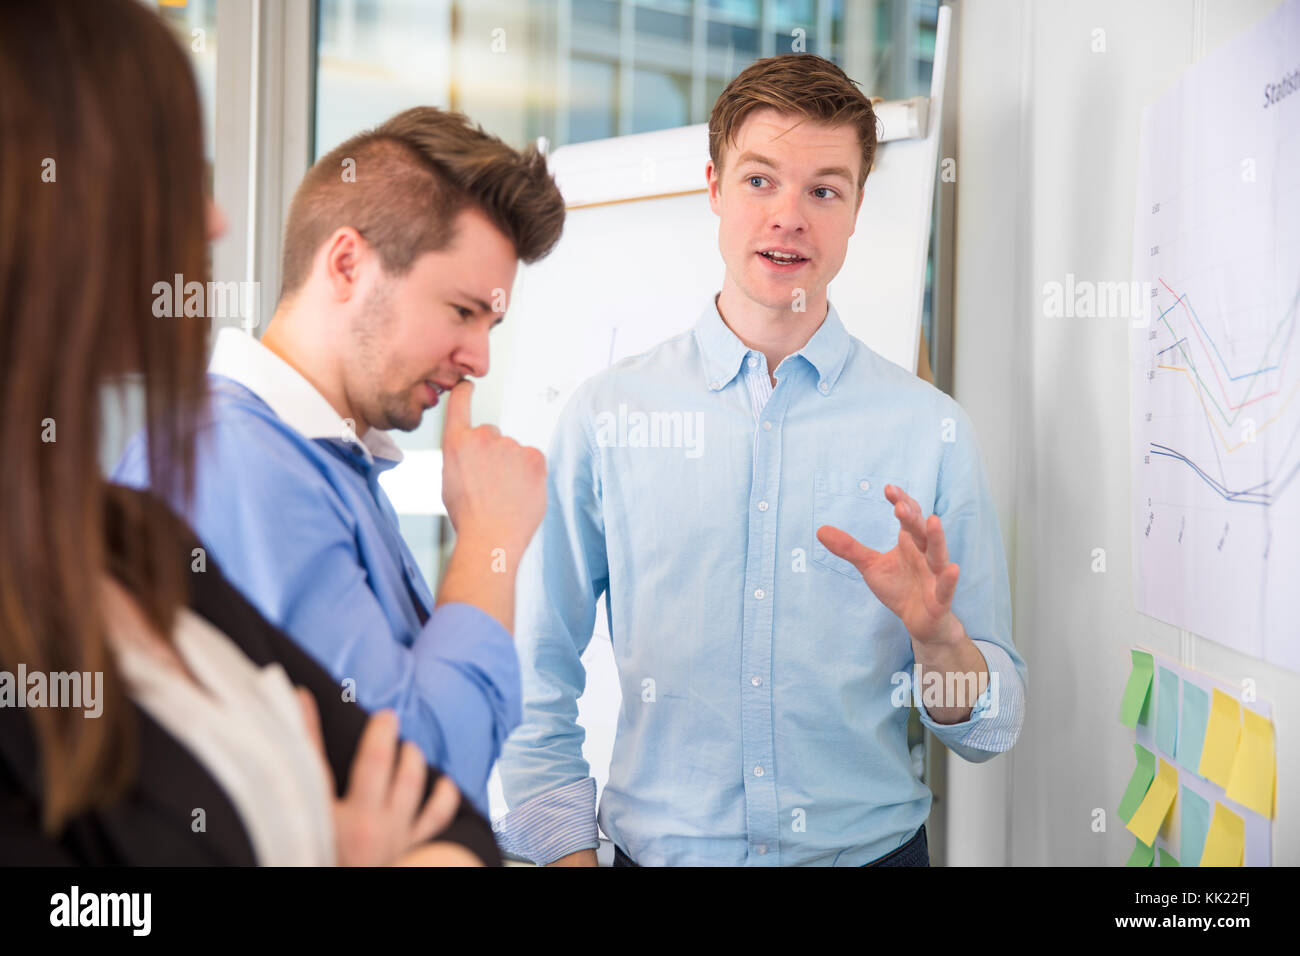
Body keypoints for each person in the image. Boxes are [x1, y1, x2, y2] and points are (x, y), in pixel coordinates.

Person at [496, 54, 1028, 866]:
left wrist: (940, 646)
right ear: (712, 188)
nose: (790, 216)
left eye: (824, 189)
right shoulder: (609, 418)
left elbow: (993, 727)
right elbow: (536, 673)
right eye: (759, 181)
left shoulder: (933, 433)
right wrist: (567, 857)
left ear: (856, 210)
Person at [0, 0, 491, 866]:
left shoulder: (133, 540)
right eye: (170, 171)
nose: (216, 221)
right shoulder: (237, 463)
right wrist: (491, 545)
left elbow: (446, 820)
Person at [114, 107, 564, 816]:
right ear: (348, 264)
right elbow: (415, 783)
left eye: (492, 325)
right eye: (461, 311)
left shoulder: (321, 463)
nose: (479, 357)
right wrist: (490, 542)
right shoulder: (239, 464)